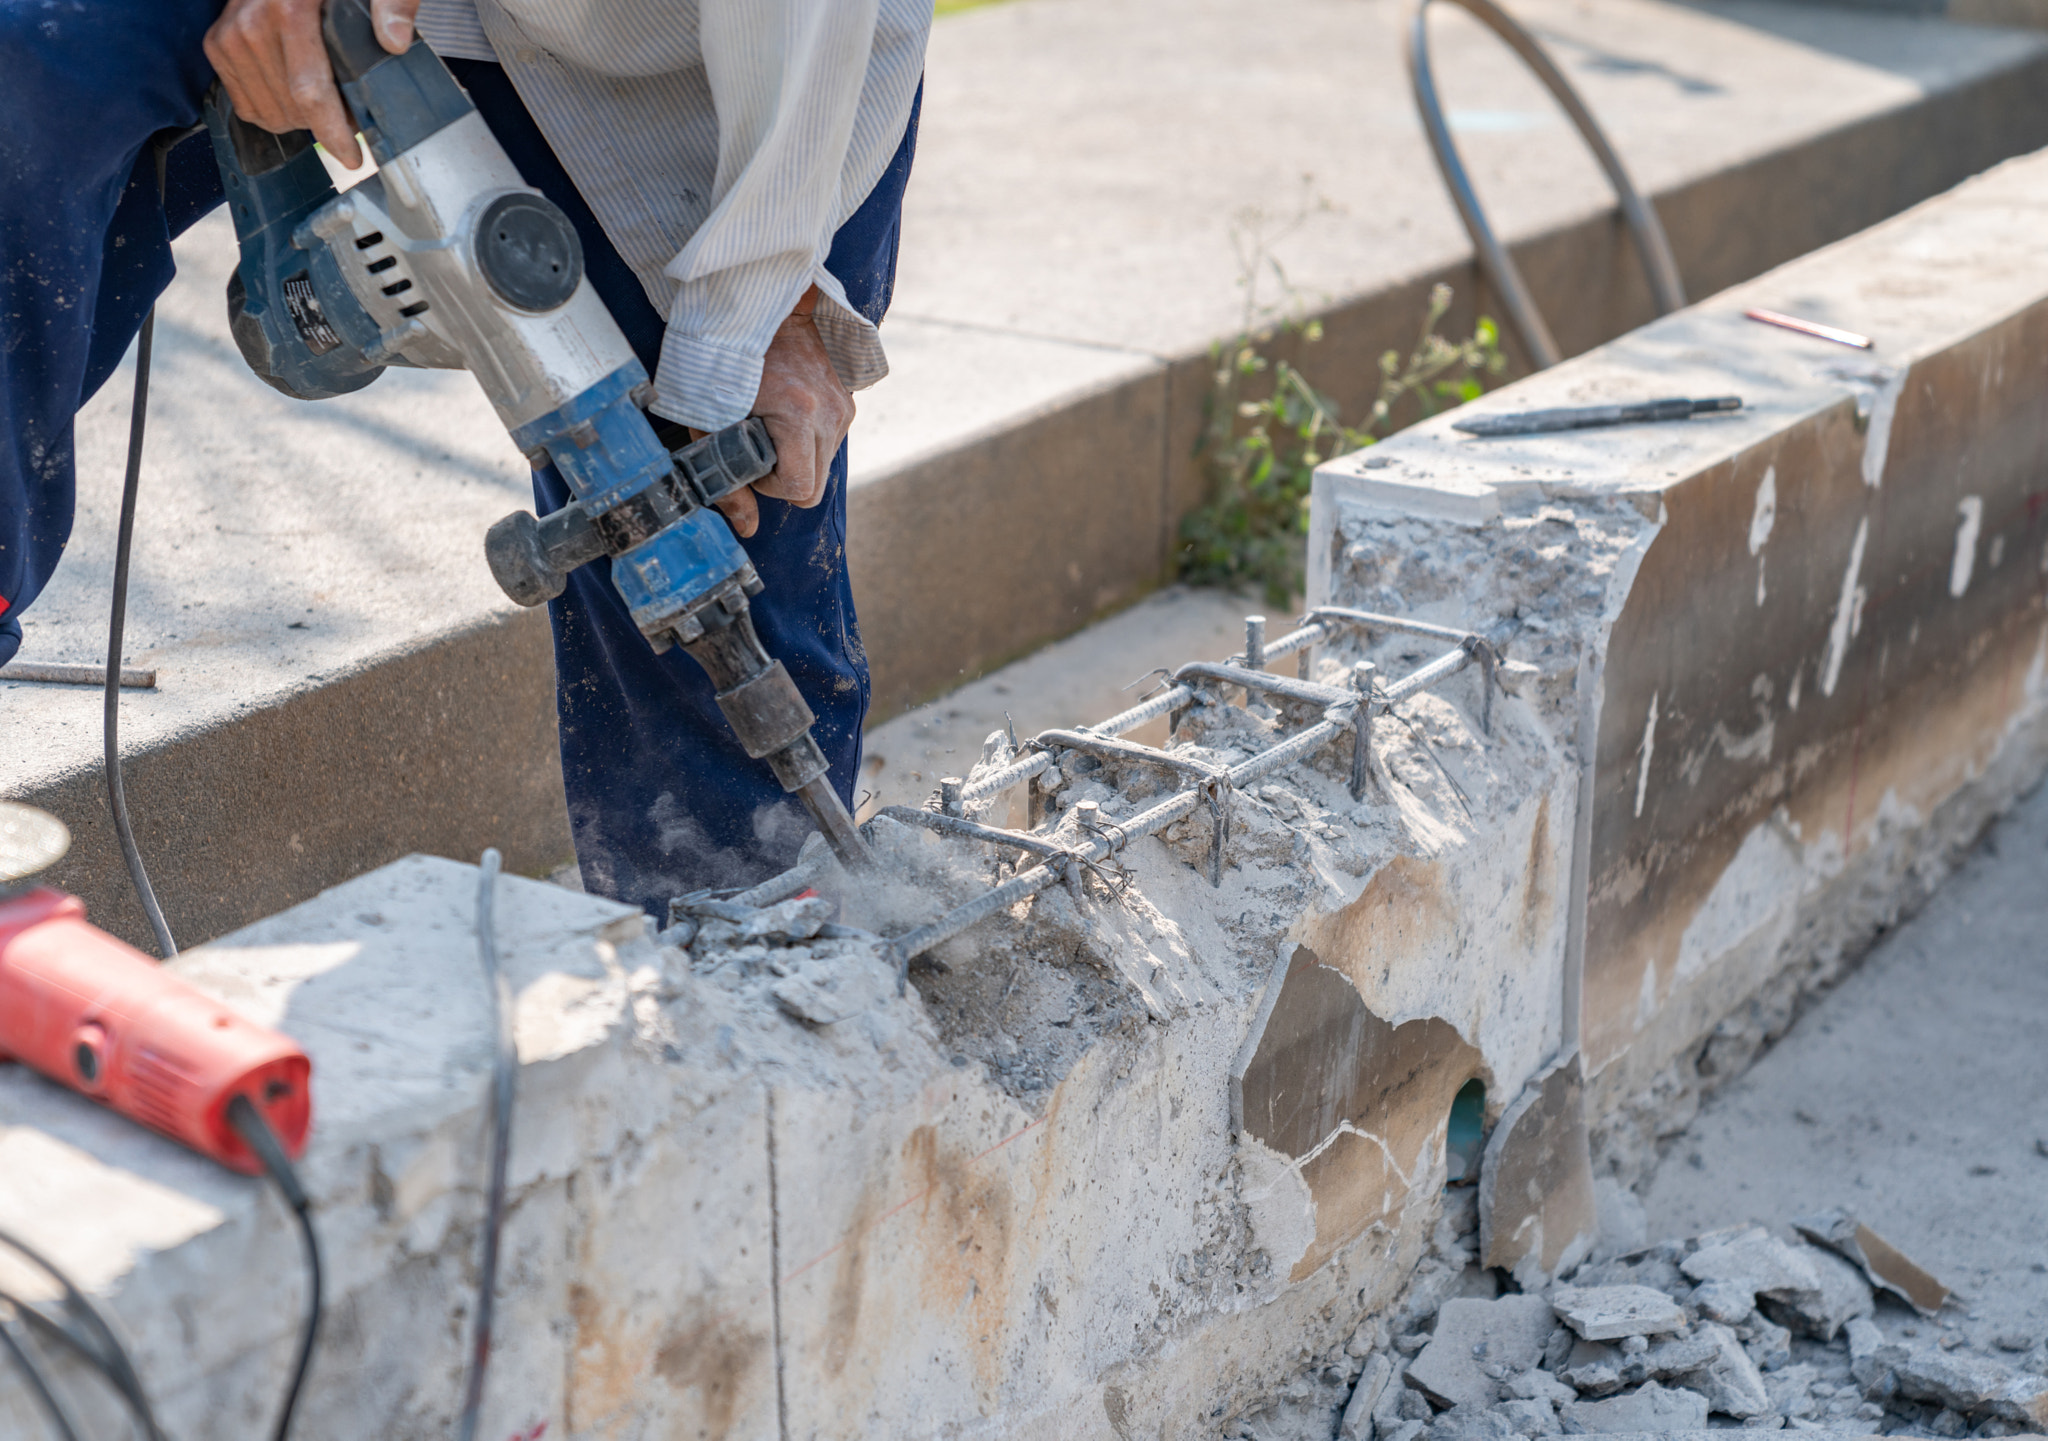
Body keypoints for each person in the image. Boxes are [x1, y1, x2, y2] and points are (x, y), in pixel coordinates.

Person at [0, 0, 929, 917]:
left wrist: (762, 310)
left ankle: (746, 957)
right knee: (34, 68)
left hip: (716, 57)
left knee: (703, 521)